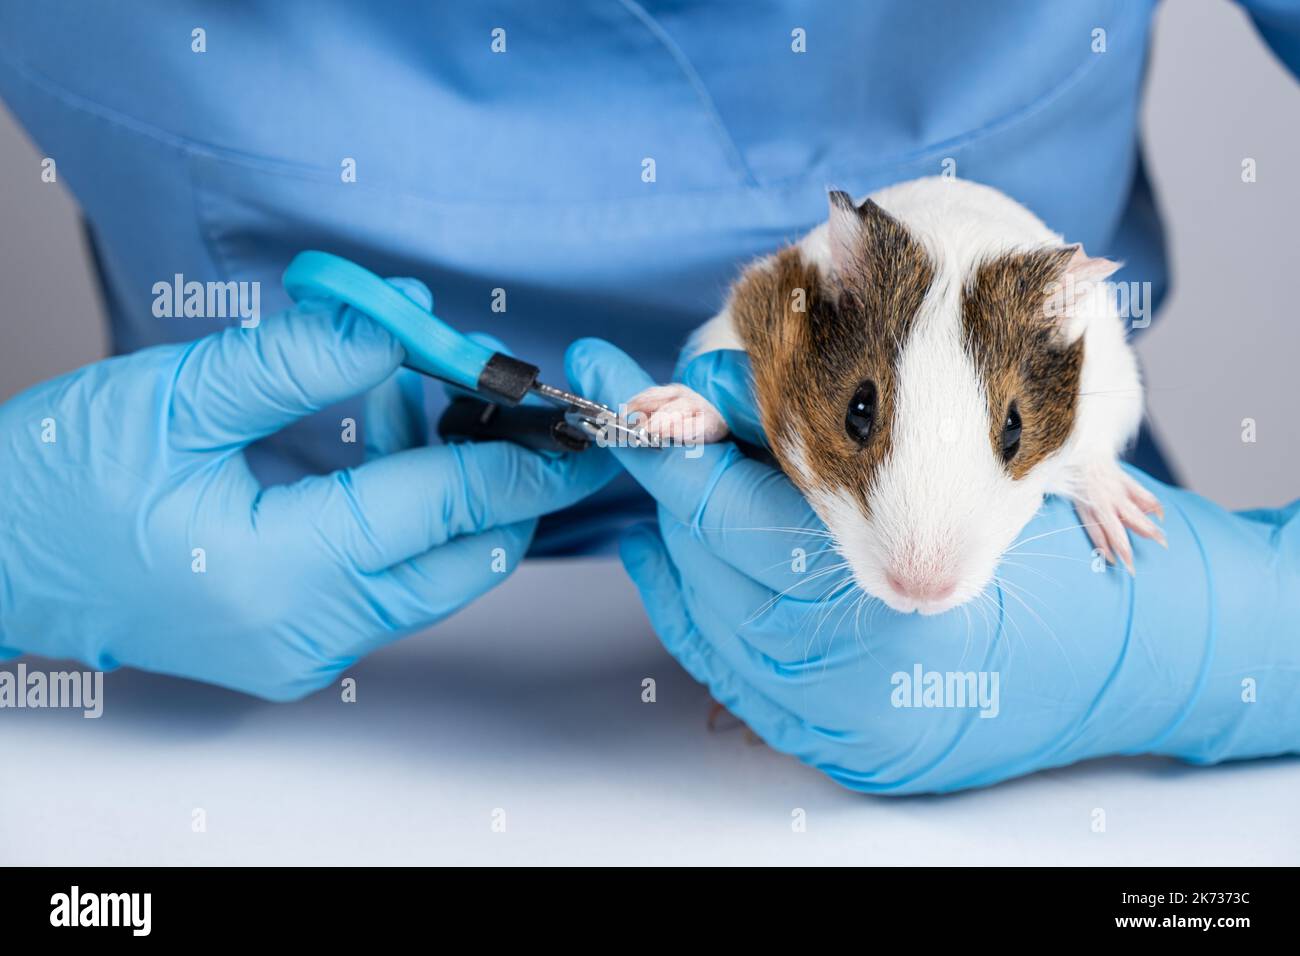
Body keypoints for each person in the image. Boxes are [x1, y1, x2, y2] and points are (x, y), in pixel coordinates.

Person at [0, 2, 1296, 792]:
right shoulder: (800, 301)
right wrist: (16, 543)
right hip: (240, 703)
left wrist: (1217, 642)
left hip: (1059, 713)